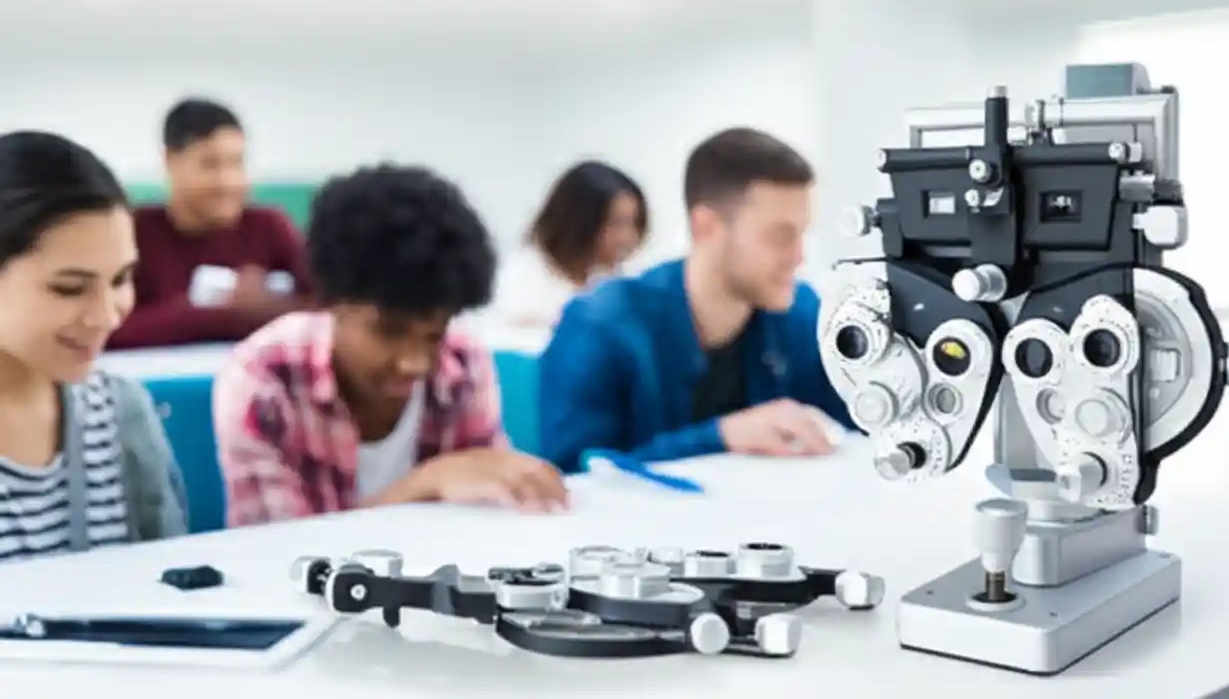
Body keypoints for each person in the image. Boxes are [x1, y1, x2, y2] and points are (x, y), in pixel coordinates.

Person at [212, 162, 568, 527]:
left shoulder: (462, 362)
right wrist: (425, 483)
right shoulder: (263, 378)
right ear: (332, 303)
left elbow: (485, 509)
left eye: (433, 335)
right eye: (389, 332)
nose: (413, 362)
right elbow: (271, 550)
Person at [538, 127, 858, 472]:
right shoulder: (599, 325)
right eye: (780, 236)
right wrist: (721, 438)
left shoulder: (802, 314)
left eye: (802, 234)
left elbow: (863, 426)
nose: (798, 257)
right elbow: (574, 474)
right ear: (707, 227)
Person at [0, 130, 188, 563]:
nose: (107, 315)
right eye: (69, 288)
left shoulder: (123, 415)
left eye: (121, 280)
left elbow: (174, 594)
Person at [107, 97, 312, 349]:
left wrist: (268, 305)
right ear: (170, 160)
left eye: (236, 163)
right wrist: (226, 313)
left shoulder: (269, 226)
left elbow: (332, 309)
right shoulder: (136, 233)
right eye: (210, 164)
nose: (227, 181)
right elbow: (107, 327)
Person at [492, 160, 648, 328]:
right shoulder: (520, 281)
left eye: (634, 223)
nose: (628, 237)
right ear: (579, 223)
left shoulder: (611, 281)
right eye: (617, 224)